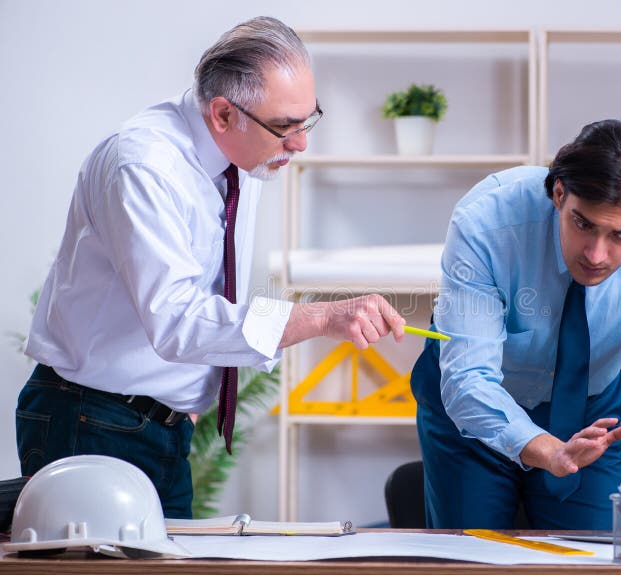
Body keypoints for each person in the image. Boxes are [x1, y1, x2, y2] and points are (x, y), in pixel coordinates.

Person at [16, 16, 405, 519]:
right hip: (94, 418)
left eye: (309, 120)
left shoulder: (244, 156)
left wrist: (185, 396)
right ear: (222, 114)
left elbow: (203, 292)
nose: (301, 143)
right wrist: (320, 318)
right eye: (286, 127)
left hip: (158, 423)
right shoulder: (145, 166)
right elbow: (177, 317)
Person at [410, 119, 621, 530]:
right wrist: (546, 450)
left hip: (590, 420)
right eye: (583, 224)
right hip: (474, 413)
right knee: (473, 557)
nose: (597, 254)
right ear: (559, 193)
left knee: (593, 557)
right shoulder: (488, 221)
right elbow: (468, 379)